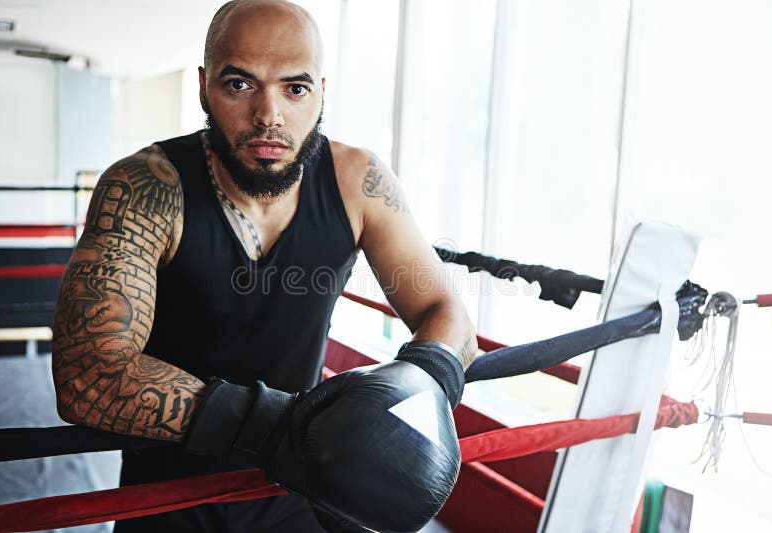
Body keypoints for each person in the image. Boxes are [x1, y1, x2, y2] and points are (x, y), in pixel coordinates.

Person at [51, 0, 477, 531]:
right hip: (166, 494)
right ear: (203, 87)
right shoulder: (146, 187)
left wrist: (419, 386)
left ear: (322, 93)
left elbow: (446, 311)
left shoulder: (358, 183)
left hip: (300, 490)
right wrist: (284, 427)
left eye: (294, 88)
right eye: (240, 84)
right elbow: (87, 373)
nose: (269, 115)